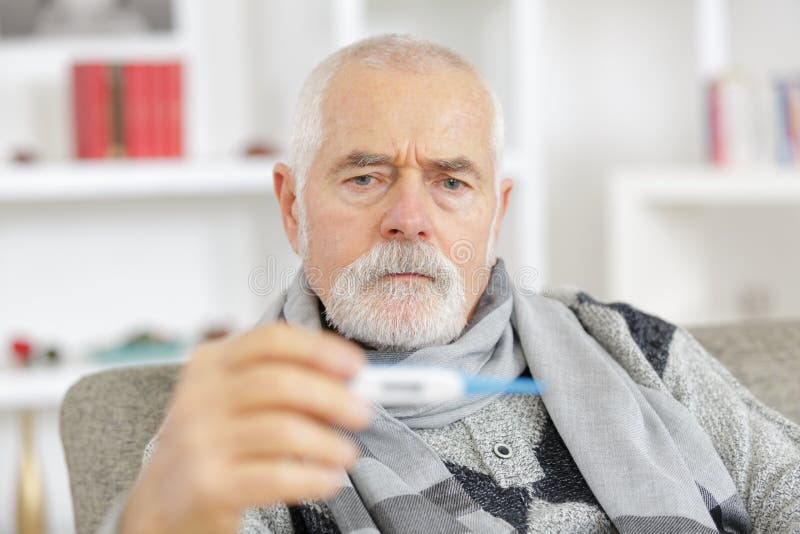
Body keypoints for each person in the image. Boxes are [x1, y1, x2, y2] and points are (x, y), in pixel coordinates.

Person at [108, 34, 800, 534]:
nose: (410, 221)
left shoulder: (630, 346)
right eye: (365, 177)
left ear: (496, 212)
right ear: (292, 207)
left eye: (450, 181)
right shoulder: (249, 421)